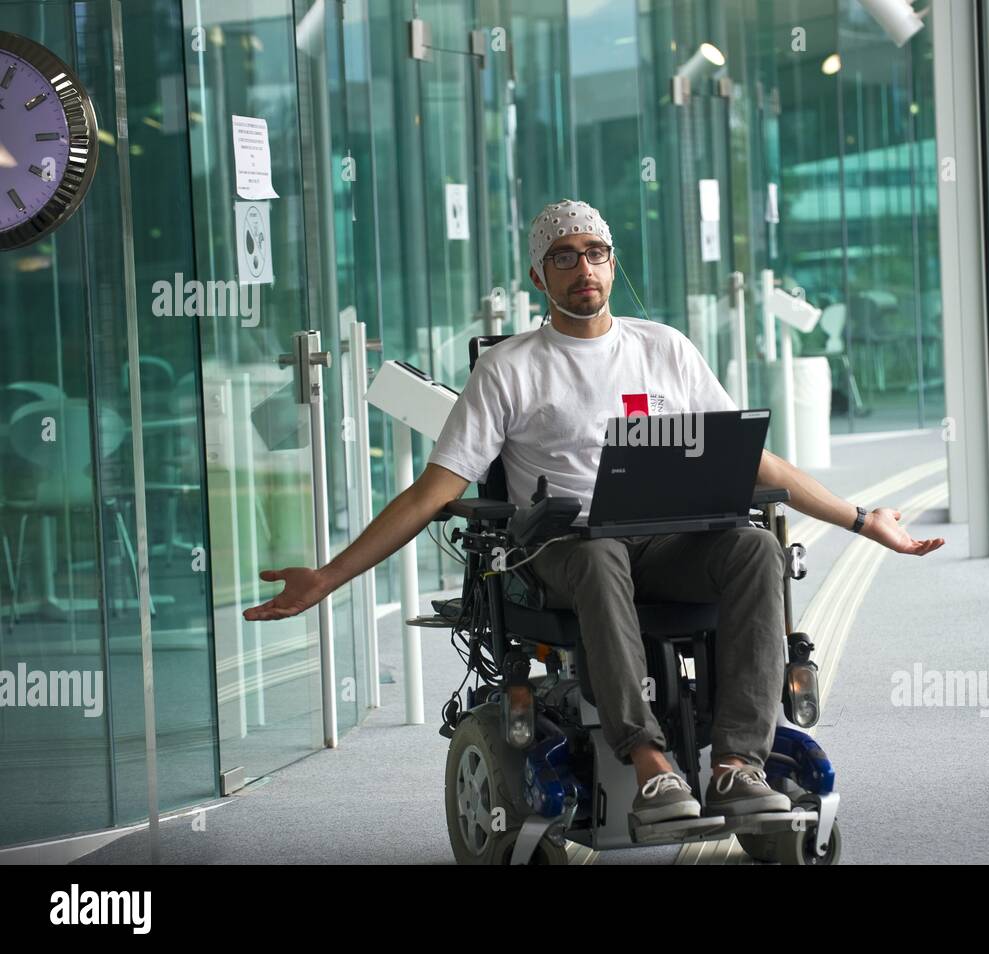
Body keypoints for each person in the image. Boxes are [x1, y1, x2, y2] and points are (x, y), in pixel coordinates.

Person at [244, 198, 944, 826]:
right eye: (564, 256)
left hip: (669, 541)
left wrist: (860, 519)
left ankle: (737, 766)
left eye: (596, 252)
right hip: (563, 550)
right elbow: (432, 492)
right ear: (538, 277)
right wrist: (329, 578)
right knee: (599, 548)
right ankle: (648, 762)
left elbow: (759, 462)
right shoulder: (511, 368)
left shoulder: (664, 347)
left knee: (755, 546)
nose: (585, 267)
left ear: (613, 262)